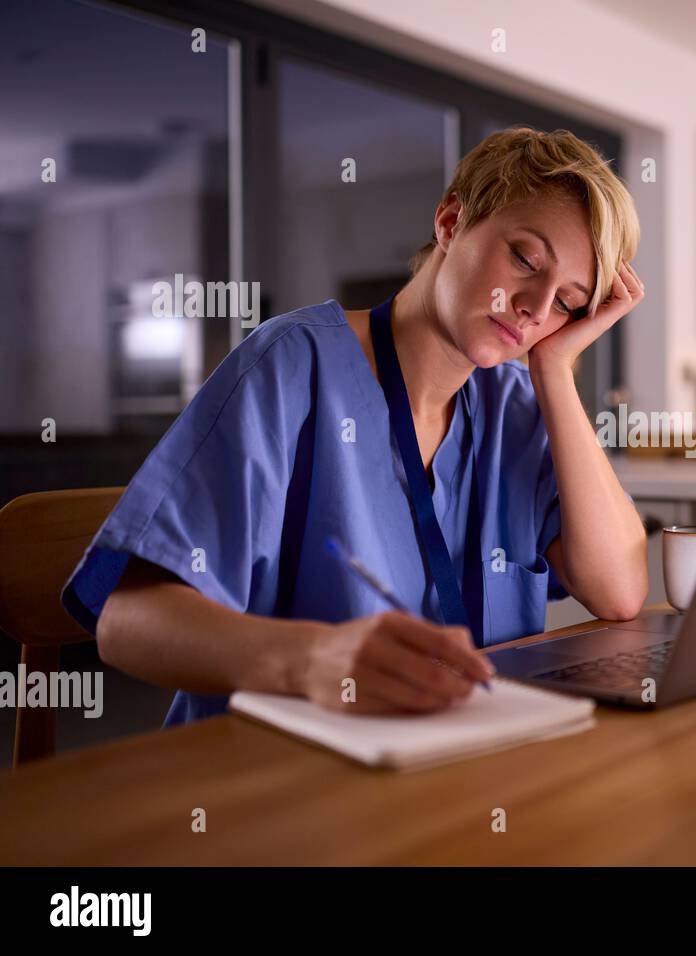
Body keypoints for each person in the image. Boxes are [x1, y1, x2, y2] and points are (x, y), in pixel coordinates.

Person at [62, 127, 649, 724]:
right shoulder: (292, 365)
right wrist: (311, 660)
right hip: (271, 779)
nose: (536, 307)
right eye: (525, 258)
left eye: (568, 302)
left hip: (451, 770)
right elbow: (127, 623)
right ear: (450, 222)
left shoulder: (518, 405)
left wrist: (555, 370)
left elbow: (620, 591)